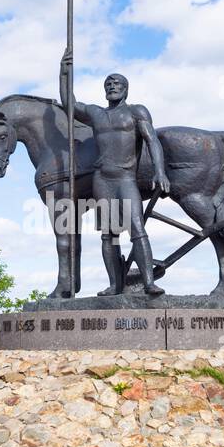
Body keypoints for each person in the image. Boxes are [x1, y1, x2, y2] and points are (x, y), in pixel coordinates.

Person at [59, 49, 169, 295]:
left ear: (126, 89)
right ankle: (114, 284)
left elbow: (153, 142)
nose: (112, 86)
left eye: (117, 83)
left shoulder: (136, 112)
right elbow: (68, 104)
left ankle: (149, 283)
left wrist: (160, 171)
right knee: (108, 235)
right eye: (108, 83)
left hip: (125, 178)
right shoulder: (97, 114)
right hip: (103, 179)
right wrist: (64, 72)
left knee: (137, 229)